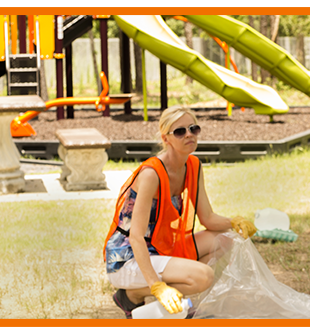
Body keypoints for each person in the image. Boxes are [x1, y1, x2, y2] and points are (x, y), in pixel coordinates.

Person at [103, 106, 255, 318]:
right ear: (166, 139)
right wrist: (156, 285)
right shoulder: (151, 174)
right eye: (180, 131)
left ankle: (182, 300)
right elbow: (136, 237)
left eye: (193, 128)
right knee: (203, 277)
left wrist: (234, 222)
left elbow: (208, 218)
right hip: (128, 257)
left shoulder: (193, 165)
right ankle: (131, 295)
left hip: (163, 246)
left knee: (225, 239)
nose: (189, 135)